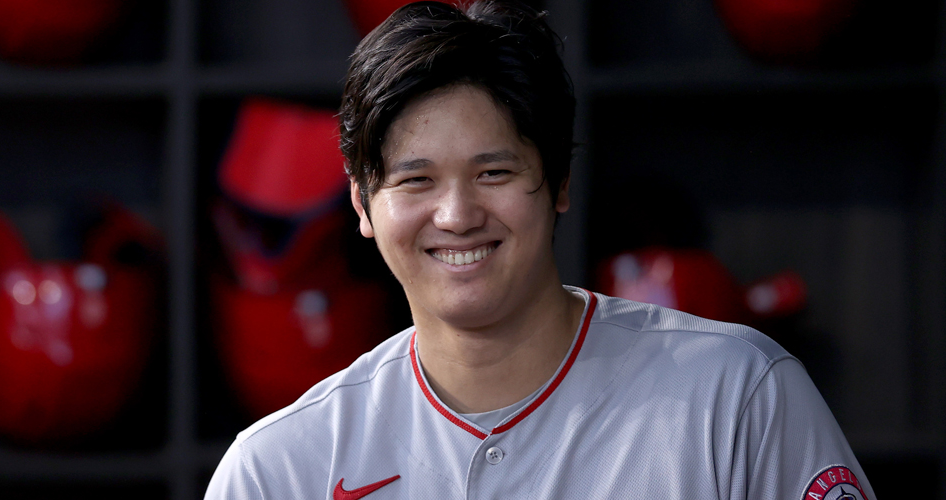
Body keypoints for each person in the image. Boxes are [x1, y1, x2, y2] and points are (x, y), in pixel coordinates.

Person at [204, 2, 875, 499]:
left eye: (493, 173)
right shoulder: (280, 469)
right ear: (362, 206)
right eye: (416, 179)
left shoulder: (735, 395)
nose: (458, 215)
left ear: (558, 182)